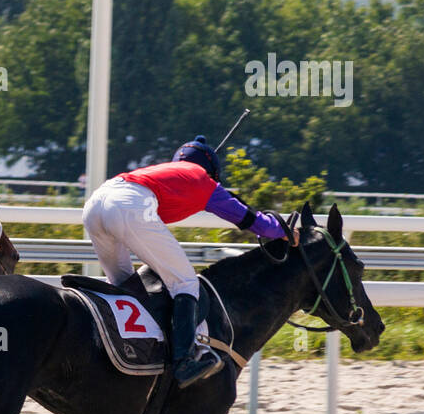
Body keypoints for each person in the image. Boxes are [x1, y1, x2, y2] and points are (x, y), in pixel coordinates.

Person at [82, 135, 298, 387]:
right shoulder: (204, 181)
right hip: (128, 205)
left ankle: (125, 347)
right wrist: (282, 230)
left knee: (124, 283)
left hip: (96, 203)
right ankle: (184, 362)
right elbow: (252, 221)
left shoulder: (164, 173)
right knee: (185, 282)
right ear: (212, 171)